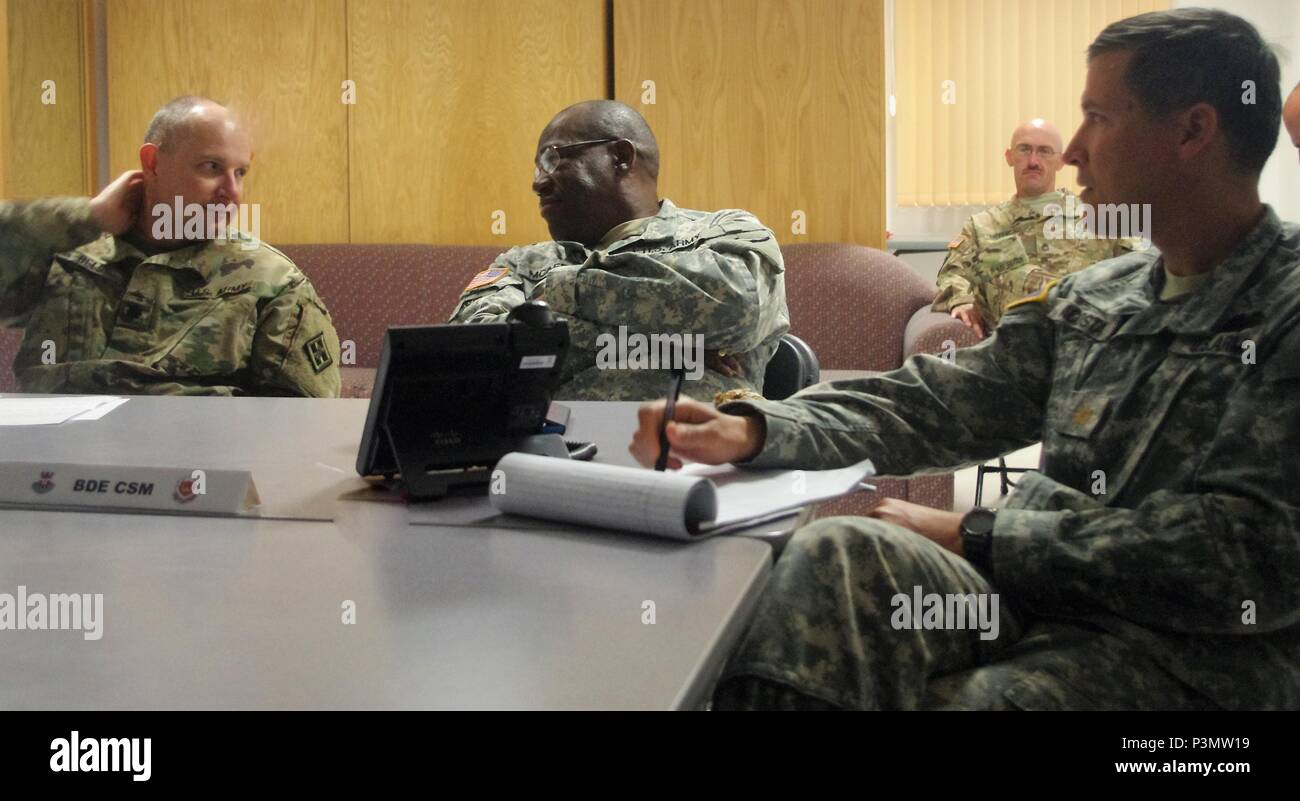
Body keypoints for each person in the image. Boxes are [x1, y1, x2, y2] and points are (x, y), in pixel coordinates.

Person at [629, 8, 1298, 710]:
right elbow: (937, 398)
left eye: (1098, 117)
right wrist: (761, 426)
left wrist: (986, 534)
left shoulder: (1284, 307)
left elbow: (1253, 554)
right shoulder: (1098, 299)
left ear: (1192, 130)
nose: (1071, 150)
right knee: (837, 557)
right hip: (1037, 601)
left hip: (1194, 662)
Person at [0, 96, 341, 397]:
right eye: (212, 167)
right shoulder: (69, 254)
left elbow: (302, 426)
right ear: (153, 162)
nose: (232, 191)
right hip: (46, 460)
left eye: (240, 173)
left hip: (193, 463)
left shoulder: (274, 281)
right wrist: (87, 217)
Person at [450, 100, 788, 401]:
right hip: (555, 460)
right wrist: (667, 348)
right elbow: (475, 353)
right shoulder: (522, 263)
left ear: (621, 157)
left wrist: (558, 291)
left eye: (552, 159)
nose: (538, 182)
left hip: (697, 461)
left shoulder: (724, 232)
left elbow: (738, 307)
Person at [933, 118, 1140, 338]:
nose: (1033, 161)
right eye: (1024, 150)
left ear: (1060, 161)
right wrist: (962, 301)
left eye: (1044, 151)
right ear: (1009, 157)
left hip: (1086, 347)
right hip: (1010, 352)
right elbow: (952, 274)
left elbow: (1143, 271)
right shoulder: (983, 226)